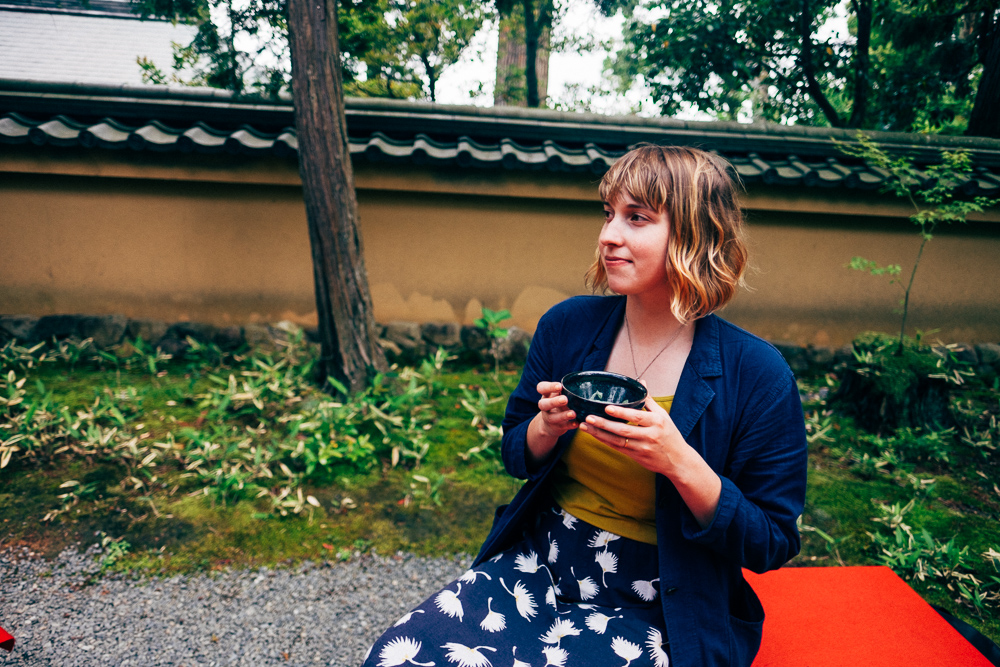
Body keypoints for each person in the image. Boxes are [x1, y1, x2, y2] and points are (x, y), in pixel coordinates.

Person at [360, 145, 808, 667]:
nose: (609, 235)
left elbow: (772, 541)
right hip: (543, 561)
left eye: (636, 218)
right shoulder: (569, 327)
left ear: (694, 233)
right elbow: (513, 452)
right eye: (609, 213)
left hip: (664, 595)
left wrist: (678, 461)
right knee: (398, 656)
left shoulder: (757, 374)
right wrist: (544, 429)